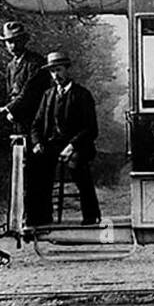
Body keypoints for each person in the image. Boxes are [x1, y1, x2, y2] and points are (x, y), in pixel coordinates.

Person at [30, 51, 101, 225]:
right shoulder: (48, 95)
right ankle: (42, 218)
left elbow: (91, 129)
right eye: (52, 71)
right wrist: (37, 142)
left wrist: (72, 146)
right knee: (37, 167)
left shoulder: (82, 95)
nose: (56, 75)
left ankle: (91, 216)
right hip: (52, 145)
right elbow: (36, 124)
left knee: (76, 165)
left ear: (67, 70)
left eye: (59, 70)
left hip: (78, 146)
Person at [0, 21, 50, 227]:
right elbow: (12, 94)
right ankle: (21, 218)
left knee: (35, 173)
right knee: (20, 171)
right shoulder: (11, 66)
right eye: (9, 42)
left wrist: (8, 110)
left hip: (37, 125)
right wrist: (9, 112)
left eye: (16, 41)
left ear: (24, 41)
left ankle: (38, 220)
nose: (12, 46)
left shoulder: (36, 64)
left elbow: (30, 94)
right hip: (18, 124)